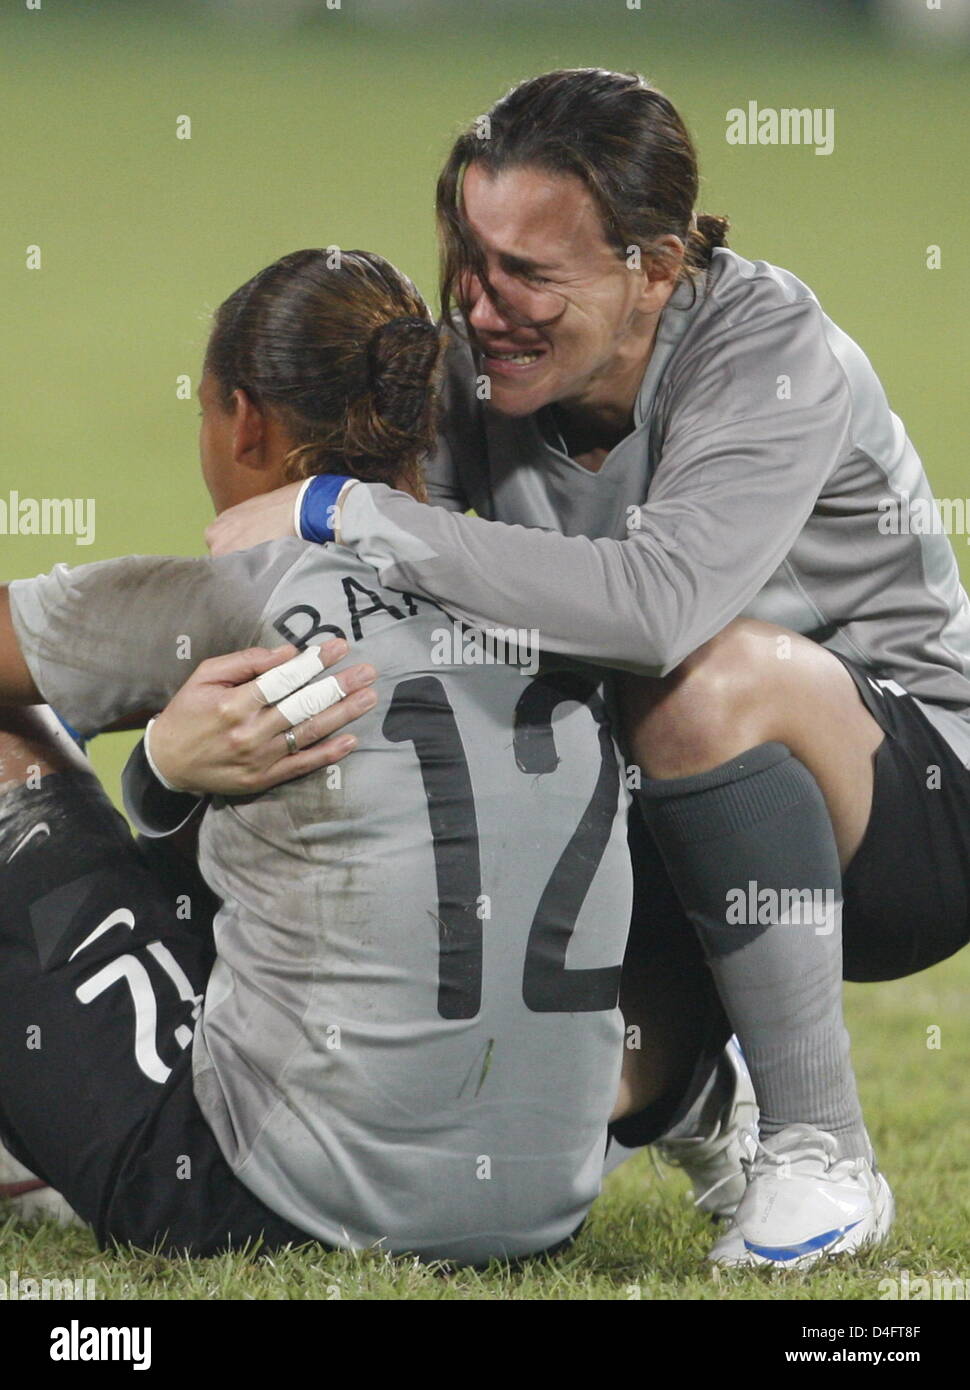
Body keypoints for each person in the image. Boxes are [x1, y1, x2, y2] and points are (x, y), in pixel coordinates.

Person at [207, 68, 970, 1268]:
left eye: (529, 272)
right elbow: (411, 630)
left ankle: (823, 1149)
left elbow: (656, 610)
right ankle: (698, 1102)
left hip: (907, 811)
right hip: (659, 815)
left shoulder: (771, 348)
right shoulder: (471, 375)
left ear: (655, 267)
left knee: (701, 682)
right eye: (471, 255)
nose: (483, 303)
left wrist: (352, 511)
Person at [0, 246, 704, 1264]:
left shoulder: (236, 594)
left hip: (253, 1201)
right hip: (544, 1207)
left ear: (245, 418)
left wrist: (147, 749)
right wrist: (160, 769)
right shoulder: (544, 592)